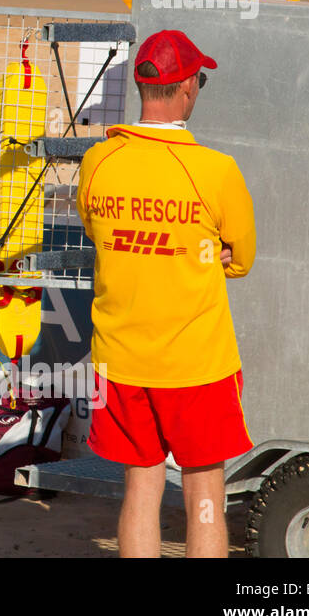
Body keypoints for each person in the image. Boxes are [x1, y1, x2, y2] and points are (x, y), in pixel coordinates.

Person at [77, 29, 256, 558]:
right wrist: (205, 253)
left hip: (121, 359)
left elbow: (99, 233)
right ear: (186, 90)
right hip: (194, 362)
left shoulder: (99, 162)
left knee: (141, 486)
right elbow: (242, 258)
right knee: (204, 494)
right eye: (199, 79)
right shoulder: (215, 170)